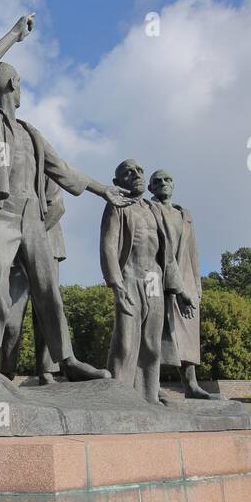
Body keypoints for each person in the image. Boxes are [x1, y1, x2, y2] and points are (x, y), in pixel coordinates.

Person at [0, 13, 130, 381]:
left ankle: (66, 360)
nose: (22, 90)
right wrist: (13, 35)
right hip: (2, 214)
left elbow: (65, 171)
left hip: (32, 219)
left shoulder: (32, 134)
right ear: (9, 83)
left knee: (48, 290)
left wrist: (104, 190)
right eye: (19, 83)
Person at [100, 160, 195, 404]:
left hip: (154, 279)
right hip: (130, 277)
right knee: (126, 342)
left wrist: (180, 290)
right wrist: (115, 283)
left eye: (139, 171)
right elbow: (109, 246)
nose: (136, 175)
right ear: (117, 182)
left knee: (152, 345)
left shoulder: (154, 210)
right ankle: (119, 397)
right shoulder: (117, 206)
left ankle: (148, 398)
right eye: (128, 173)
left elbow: (167, 253)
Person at [148, 169, 212, 398]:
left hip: (185, 279)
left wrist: (196, 285)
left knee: (186, 333)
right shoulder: (148, 209)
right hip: (155, 277)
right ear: (151, 188)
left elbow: (193, 252)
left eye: (167, 180)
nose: (163, 183)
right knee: (154, 330)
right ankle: (150, 385)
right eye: (157, 181)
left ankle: (191, 385)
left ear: (173, 185)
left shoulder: (185, 214)